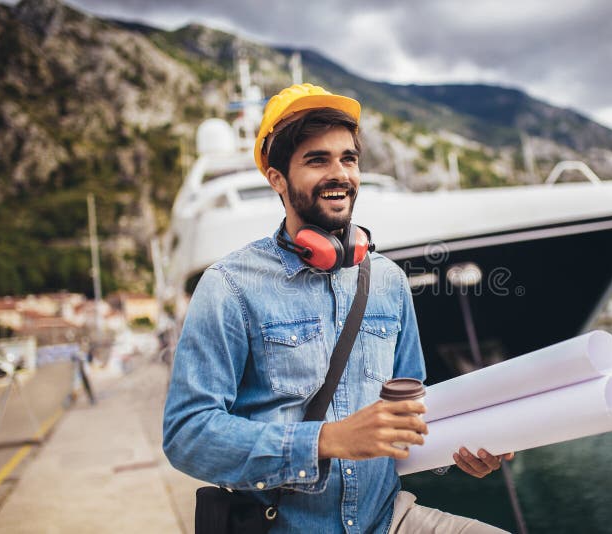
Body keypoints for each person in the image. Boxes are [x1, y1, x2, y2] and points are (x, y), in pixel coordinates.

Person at [163, 83, 512, 533]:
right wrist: (326, 441)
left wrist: (461, 450)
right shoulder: (229, 286)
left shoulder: (388, 280)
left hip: (388, 519)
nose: (340, 173)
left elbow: (411, 417)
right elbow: (187, 434)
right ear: (277, 179)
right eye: (317, 160)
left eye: (348, 158)